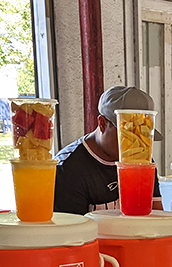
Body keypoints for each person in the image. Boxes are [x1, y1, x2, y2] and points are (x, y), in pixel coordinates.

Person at [53, 86, 162, 215]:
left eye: (143, 135)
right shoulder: (67, 170)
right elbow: (72, 232)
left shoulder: (141, 159)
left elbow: (156, 217)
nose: (137, 146)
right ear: (102, 123)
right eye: (128, 135)